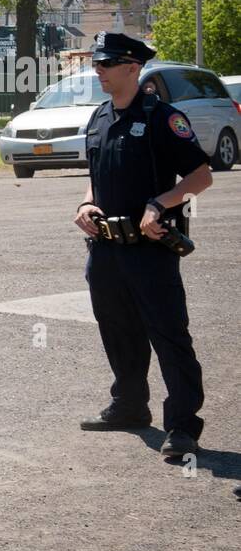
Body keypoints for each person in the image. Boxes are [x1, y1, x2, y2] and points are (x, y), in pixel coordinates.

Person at [73, 32, 213, 458]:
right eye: (97, 64)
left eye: (106, 64)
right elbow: (96, 178)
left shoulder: (162, 117)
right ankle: (130, 405)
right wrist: (84, 204)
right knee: (117, 330)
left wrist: (160, 203)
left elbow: (201, 176)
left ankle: (183, 427)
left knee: (169, 335)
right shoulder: (99, 116)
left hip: (150, 250)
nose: (98, 70)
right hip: (106, 249)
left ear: (132, 68)